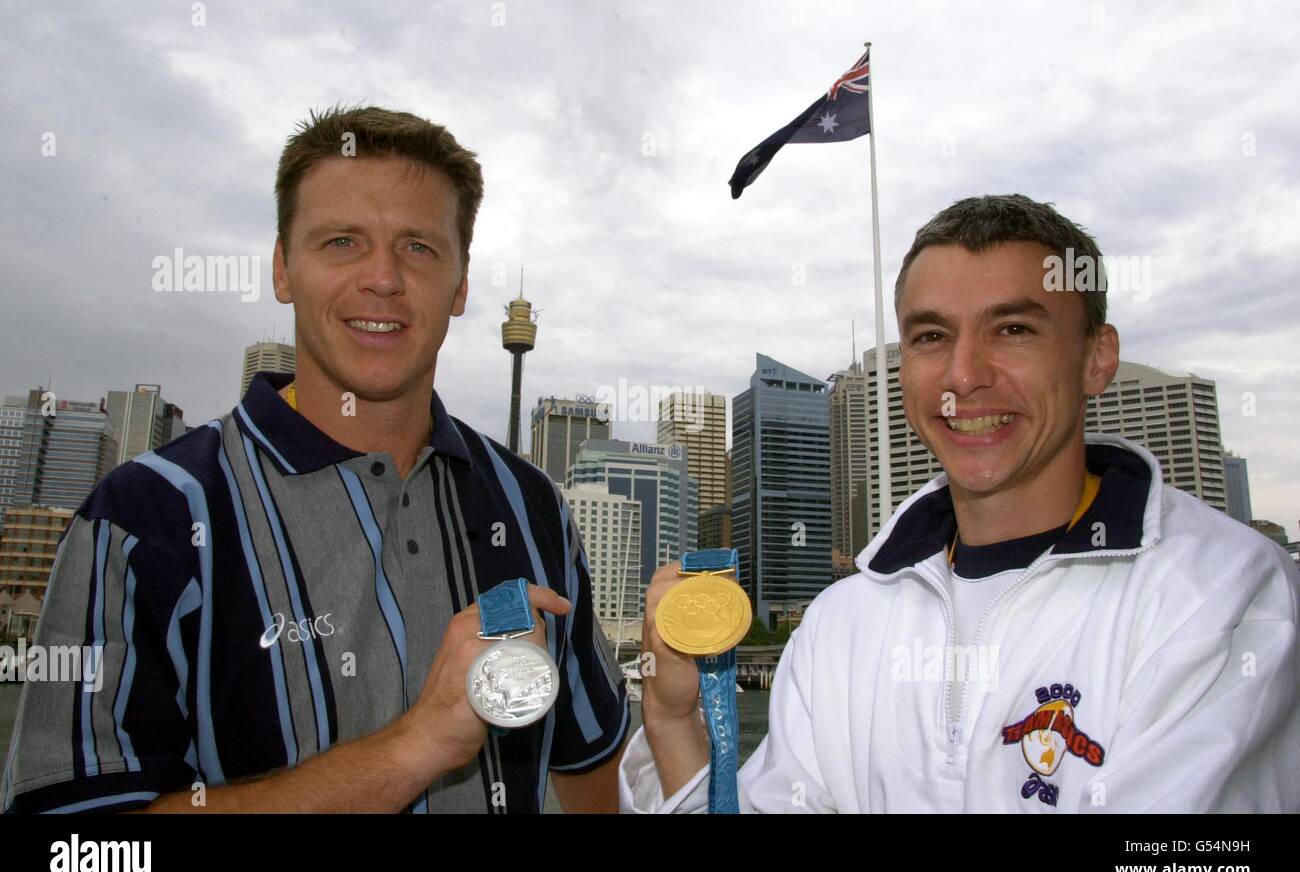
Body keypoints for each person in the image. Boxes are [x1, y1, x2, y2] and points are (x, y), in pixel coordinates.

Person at [2, 106, 628, 814]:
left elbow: (585, 771)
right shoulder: (146, 518)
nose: (383, 279)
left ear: (459, 285)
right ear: (282, 268)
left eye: (418, 248)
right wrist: (411, 749)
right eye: (342, 242)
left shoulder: (530, 504)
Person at [621, 194, 1300, 813]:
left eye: (1013, 330)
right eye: (930, 336)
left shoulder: (1223, 595)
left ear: (1097, 357)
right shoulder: (842, 623)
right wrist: (676, 724)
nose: (965, 376)